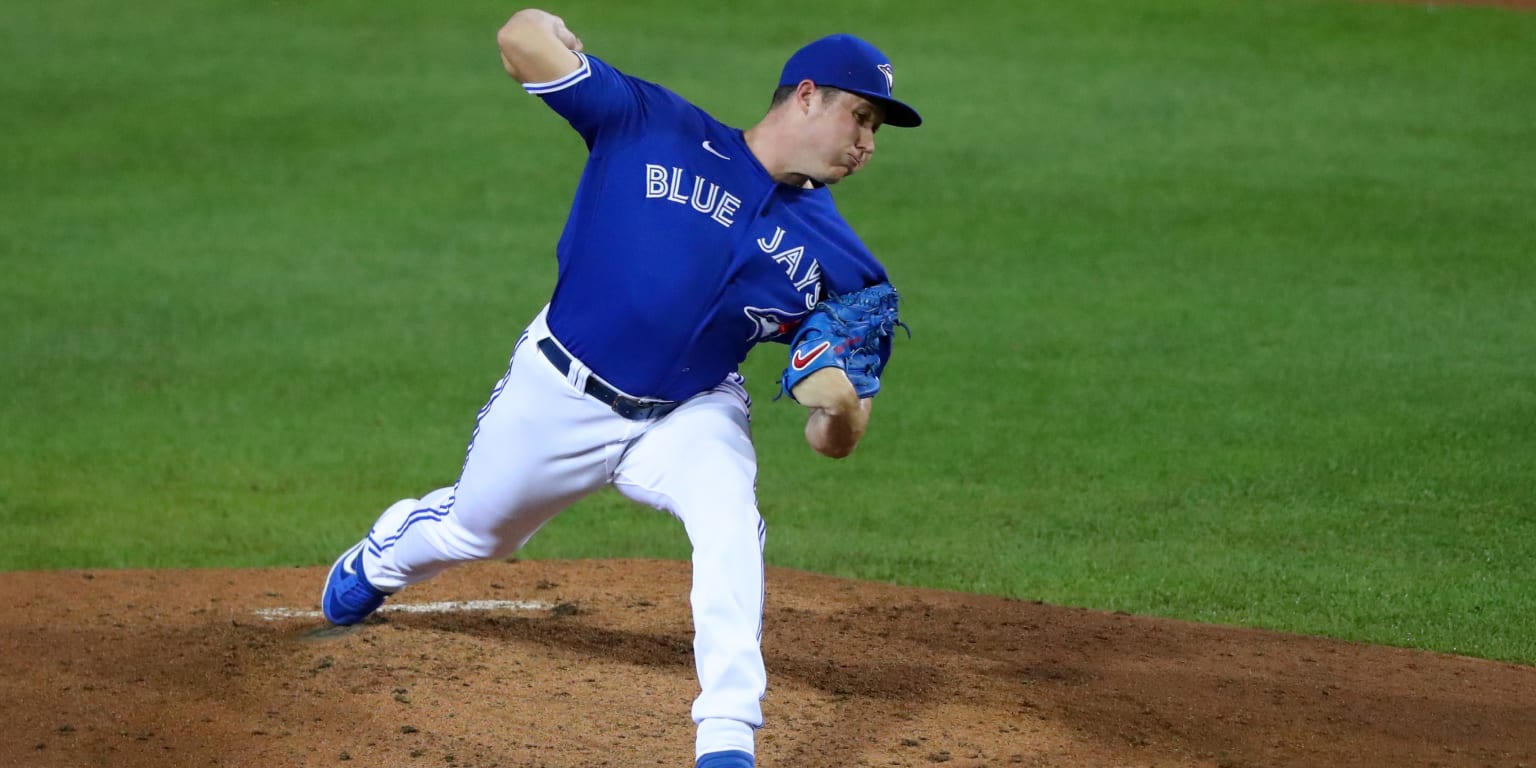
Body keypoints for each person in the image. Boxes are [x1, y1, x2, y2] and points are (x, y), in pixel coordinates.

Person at [320, 9, 922, 768]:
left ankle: (728, 736)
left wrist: (838, 412)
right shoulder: (653, 123)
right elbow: (518, 45)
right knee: (479, 532)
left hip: (693, 410)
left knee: (730, 516)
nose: (868, 143)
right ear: (805, 96)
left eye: (877, 129)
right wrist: (543, 23)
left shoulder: (844, 262)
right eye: (860, 117)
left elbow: (835, 438)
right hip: (560, 392)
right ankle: (382, 558)